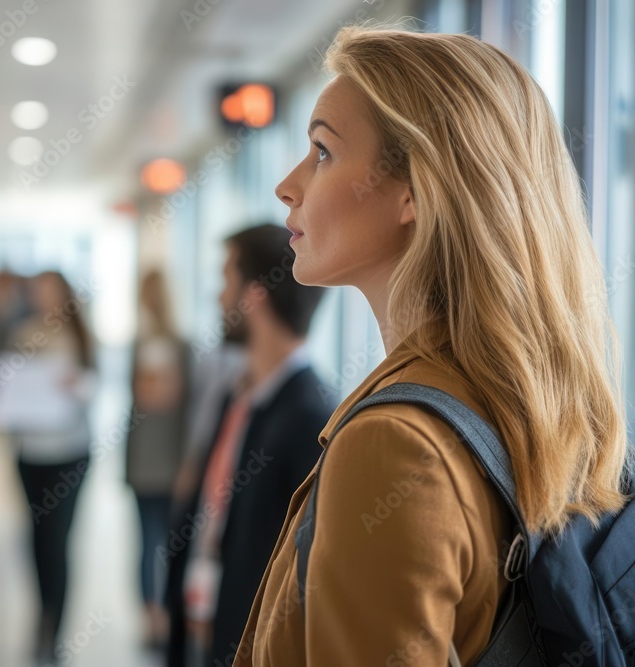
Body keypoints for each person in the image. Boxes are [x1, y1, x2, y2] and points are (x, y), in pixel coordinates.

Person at [233, 27, 630, 666]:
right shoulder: (530, 408)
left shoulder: (396, 444)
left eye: (322, 151)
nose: (288, 183)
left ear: (415, 190)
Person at [165, 224, 334, 667]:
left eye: (226, 281)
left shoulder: (311, 420)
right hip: (207, 623)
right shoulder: (238, 395)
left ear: (254, 296)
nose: (219, 299)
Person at [3, 271, 96, 665]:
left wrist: (73, 383)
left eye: (50, 292)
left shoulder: (80, 336)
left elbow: (94, 387)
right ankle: (41, 611)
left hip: (69, 452)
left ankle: (55, 625)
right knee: (36, 536)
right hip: (30, 452)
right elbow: (6, 388)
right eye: (38, 292)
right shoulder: (22, 334)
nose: (44, 299)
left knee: (57, 538)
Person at [125, 269, 191, 649]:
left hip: (170, 462)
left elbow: (185, 407)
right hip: (145, 461)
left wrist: (187, 462)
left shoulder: (181, 347)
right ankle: (153, 617)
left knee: (170, 542)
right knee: (148, 541)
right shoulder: (141, 345)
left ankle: (166, 615)